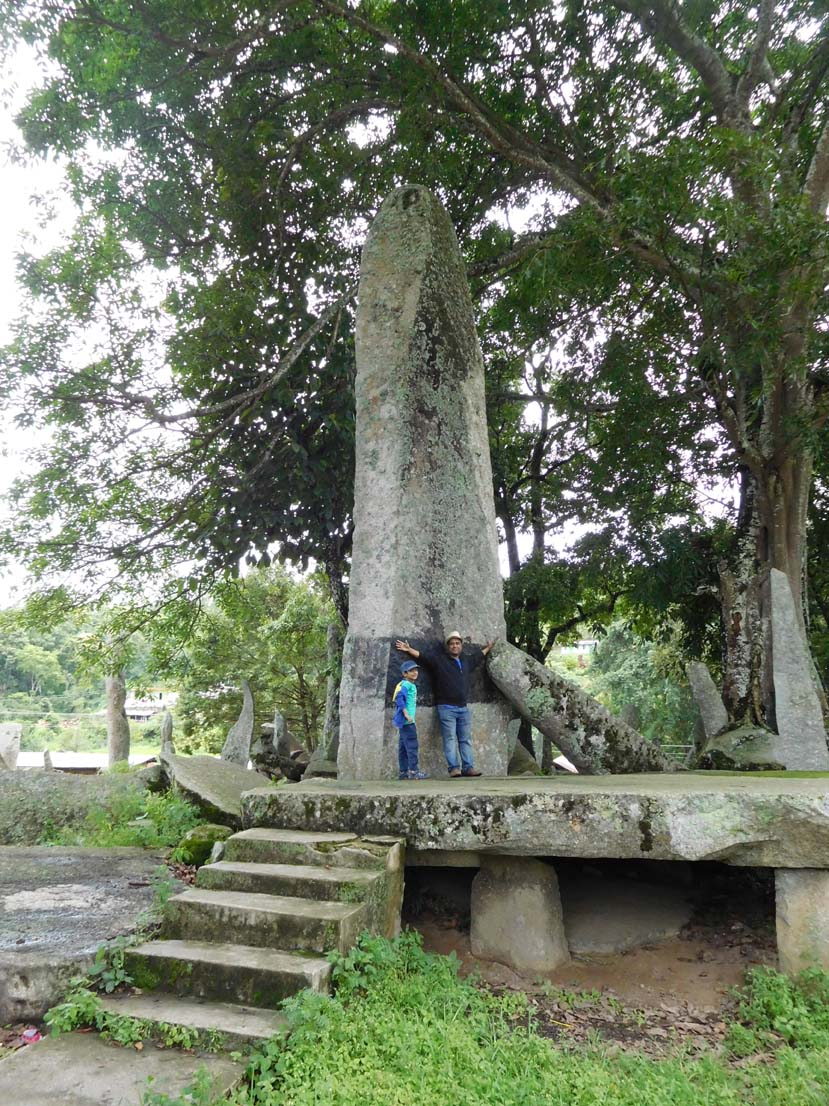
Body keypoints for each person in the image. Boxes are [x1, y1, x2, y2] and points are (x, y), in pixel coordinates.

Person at [395, 631, 494, 777]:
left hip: (463, 708)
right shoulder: (440, 660)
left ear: (461, 645)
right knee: (450, 739)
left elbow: (479, 656)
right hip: (446, 707)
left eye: (457, 643)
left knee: (465, 739)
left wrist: (489, 648)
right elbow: (423, 657)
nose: (455, 646)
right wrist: (409, 650)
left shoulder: (466, 661)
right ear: (448, 646)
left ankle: (468, 767)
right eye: (452, 644)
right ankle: (454, 768)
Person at [392, 660, 428, 780]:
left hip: (403, 722)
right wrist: (406, 713)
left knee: (403, 747)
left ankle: (403, 772)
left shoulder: (404, 684)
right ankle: (413, 771)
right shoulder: (406, 685)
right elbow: (399, 698)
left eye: (416, 670)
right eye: (411, 671)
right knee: (412, 746)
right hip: (407, 721)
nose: (415, 672)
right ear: (405, 674)